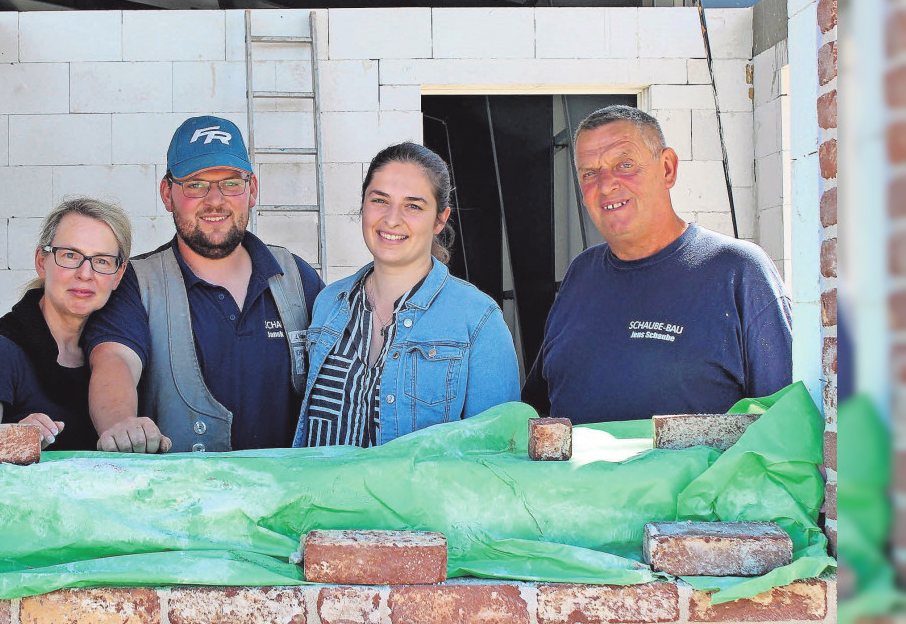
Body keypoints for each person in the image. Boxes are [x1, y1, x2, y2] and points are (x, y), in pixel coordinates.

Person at [520, 105, 793, 424]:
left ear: (667, 168)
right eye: (589, 173)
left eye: (624, 164)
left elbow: (786, 426)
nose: (606, 184)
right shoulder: (580, 274)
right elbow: (539, 412)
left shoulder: (739, 272)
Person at [85, 116, 323, 453]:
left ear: (252, 190)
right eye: (195, 184)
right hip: (183, 501)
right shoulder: (138, 284)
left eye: (230, 183)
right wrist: (119, 422)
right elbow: (114, 361)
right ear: (167, 193)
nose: (215, 200)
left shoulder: (297, 277)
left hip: (288, 499)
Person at [293, 142, 519, 447]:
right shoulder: (328, 303)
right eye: (380, 200)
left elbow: (495, 454)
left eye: (413, 205)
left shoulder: (478, 320)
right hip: (320, 496)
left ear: (440, 219)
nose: (391, 219)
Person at [0, 197, 131, 450]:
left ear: (118, 275)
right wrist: (12, 442)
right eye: (70, 255)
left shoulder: (118, 349)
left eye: (101, 261)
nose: (85, 273)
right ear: (41, 262)